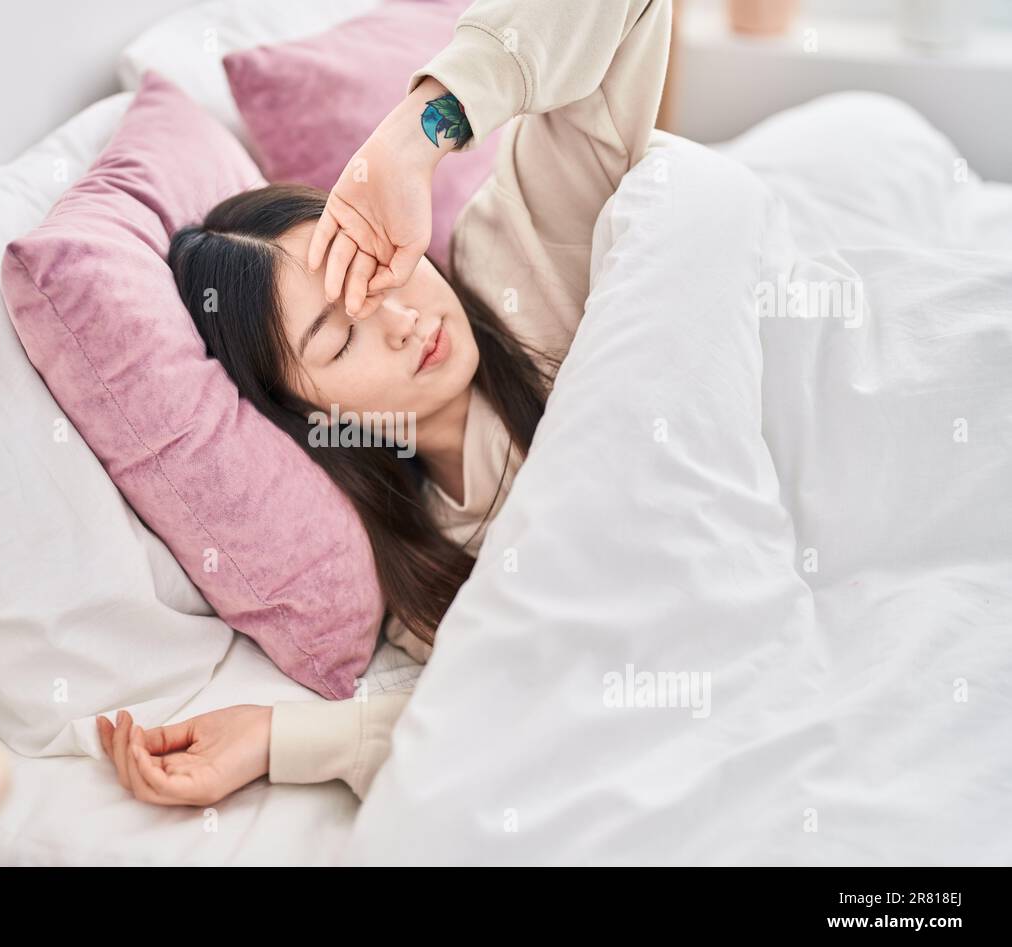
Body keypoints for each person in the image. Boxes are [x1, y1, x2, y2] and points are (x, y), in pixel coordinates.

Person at [97, 0, 673, 806]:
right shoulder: (419, 569)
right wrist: (277, 737)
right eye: (339, 341)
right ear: (306, 413)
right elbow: (510, 709)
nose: (404, 321)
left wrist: (415, 135)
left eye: (379, 268)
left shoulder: (525, 269)